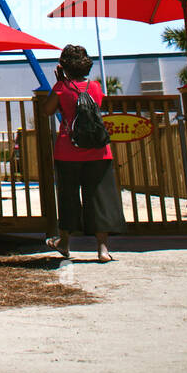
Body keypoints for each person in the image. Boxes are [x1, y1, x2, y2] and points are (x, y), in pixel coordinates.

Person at [44, 44, 125, 263]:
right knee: (99, 198)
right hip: (98, 151)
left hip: (68, 151)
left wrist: (61, 81)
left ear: (64, 66)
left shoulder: (62, 87)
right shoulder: (96, 87)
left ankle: (65, 242)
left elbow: (48, 110)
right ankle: (102, 249)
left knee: (68, 197)